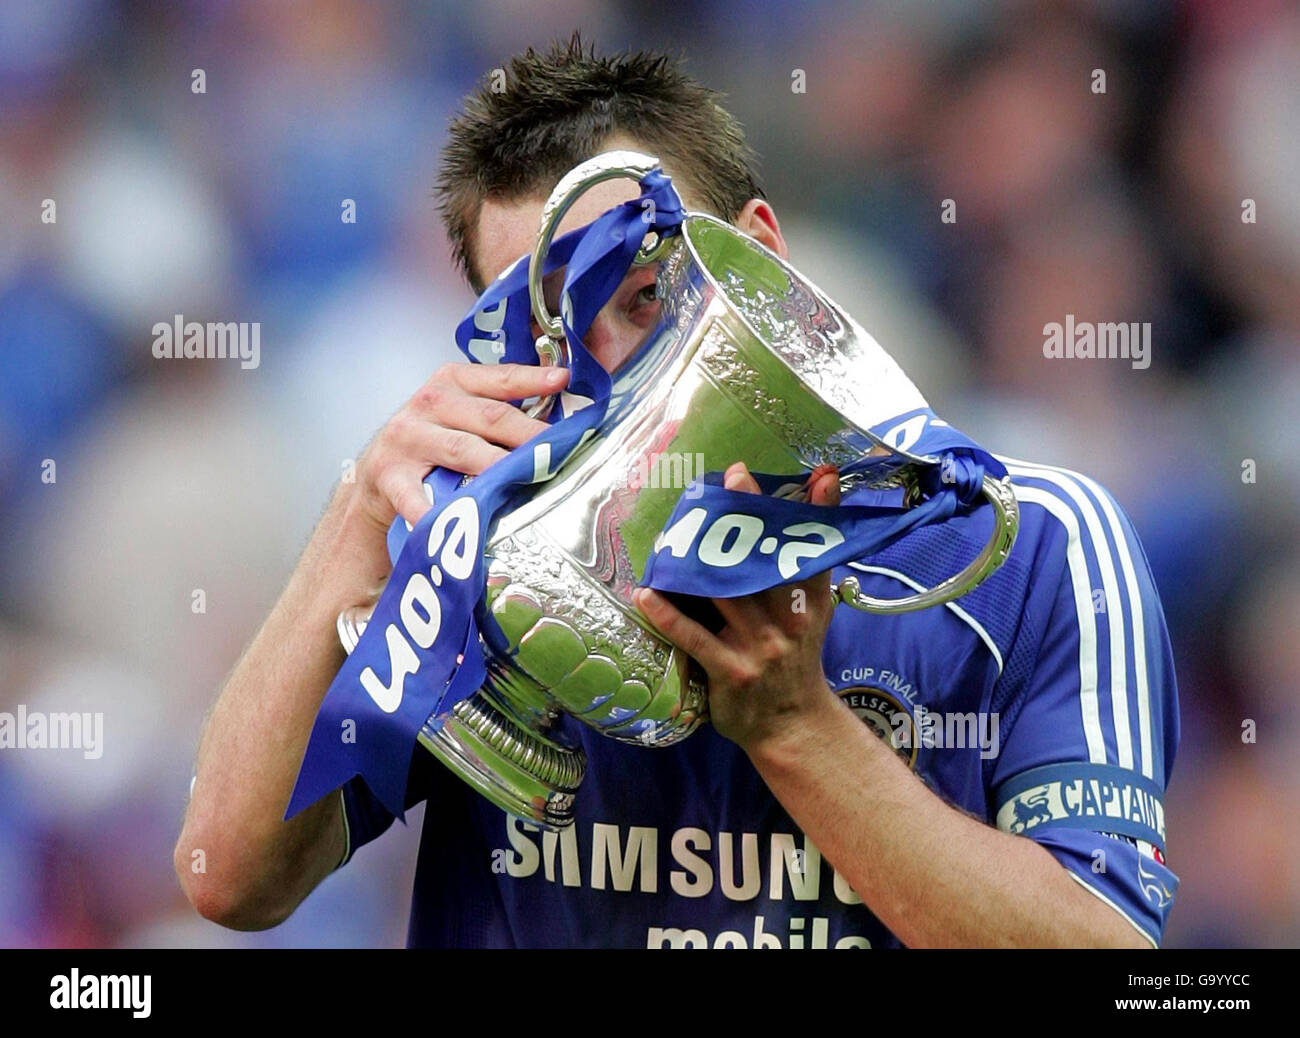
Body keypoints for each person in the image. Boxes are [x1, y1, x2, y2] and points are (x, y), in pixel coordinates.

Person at [174, 34, 1179, 949]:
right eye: (555, 332)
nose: (610, 369)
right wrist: (361, 512)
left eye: (647, 295)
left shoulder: (1030, 540)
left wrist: (797, 730)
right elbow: (231, 880)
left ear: (763, 257)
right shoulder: (474, 549)